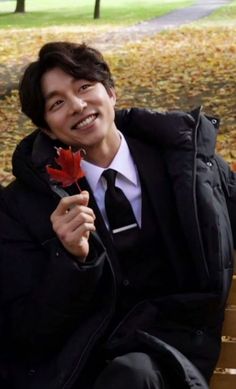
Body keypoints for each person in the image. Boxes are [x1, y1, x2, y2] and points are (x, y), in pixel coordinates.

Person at [0, 41, 234, 389]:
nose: (78, 106)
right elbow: (26, 330)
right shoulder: (21, 207)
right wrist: (71, 261)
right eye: (58, 103)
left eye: (84, 87)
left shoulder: (191, 169)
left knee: (132, 374)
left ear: (111, 93)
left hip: (169, 351)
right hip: (78, 361)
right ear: (47, 128)